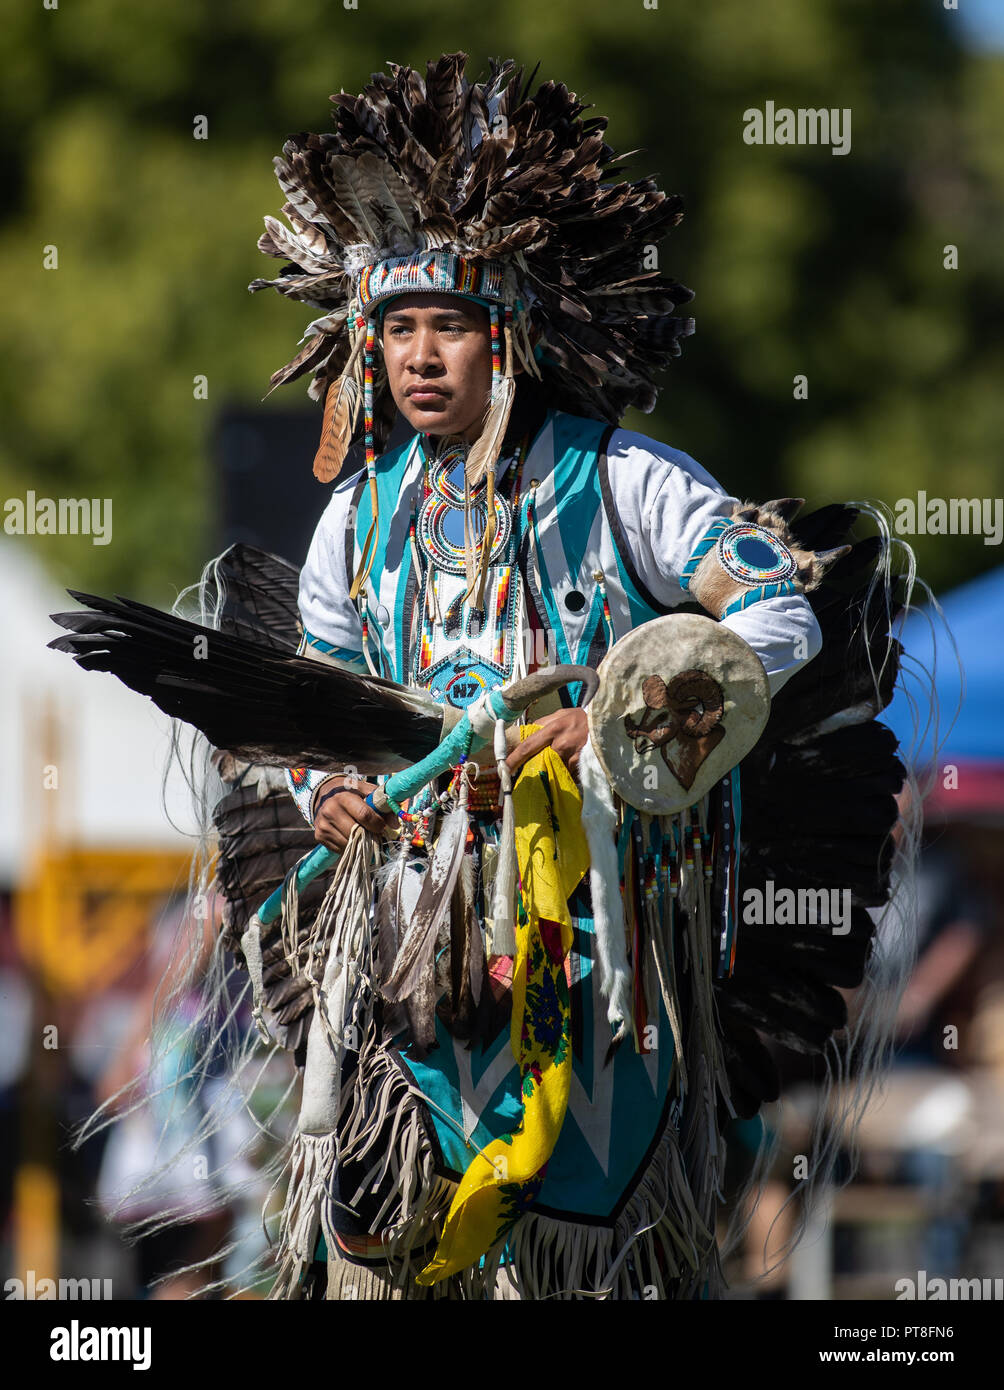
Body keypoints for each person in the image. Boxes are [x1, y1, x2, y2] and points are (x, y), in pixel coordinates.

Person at [51, 52, 914, 1300]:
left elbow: (776, 609)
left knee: (587, 1244)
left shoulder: (626, 483)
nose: (417, 356)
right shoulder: (357, 520)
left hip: (605, 947)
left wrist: (614, 714)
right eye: (394, 328)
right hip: (408, 949)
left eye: (445, 325)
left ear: (506, 332)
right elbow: (313, 703)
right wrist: (319, 791)